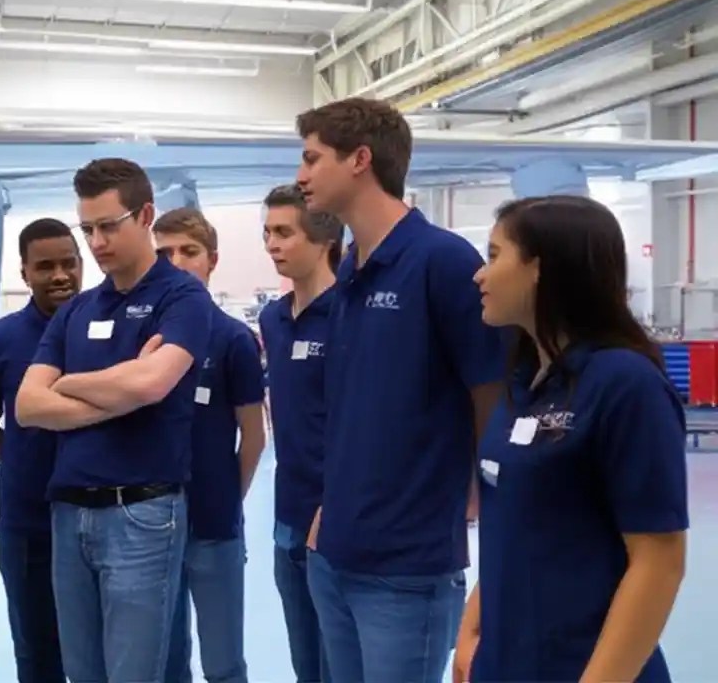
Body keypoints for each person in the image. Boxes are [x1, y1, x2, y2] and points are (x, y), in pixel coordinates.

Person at [293, 97, 507, 683]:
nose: (301, 174)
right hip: (335, 552)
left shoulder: (442, 261)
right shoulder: (351, 268)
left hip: (407, 566)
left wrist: (473, 494)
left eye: (312, 158)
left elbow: (489, 394)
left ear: (360, 159)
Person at [455, 195, 688, 683]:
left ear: (539, 268)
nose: (479, 275)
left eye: (494, 256)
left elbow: (659, 561)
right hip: (507, 664)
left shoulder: (625, 385)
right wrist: (472, 630)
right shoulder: (524, 383)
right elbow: (512, 529)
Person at [15, 157, 214, 683]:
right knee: (82, 674)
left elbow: (151, 385)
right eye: (88, 229)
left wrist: (69, 382)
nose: (96, 243)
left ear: (145, 215)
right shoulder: (76, 311)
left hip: (142, 514)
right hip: (69, 514)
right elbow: (28, 405)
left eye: (108, 226)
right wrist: (121, 386)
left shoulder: (183, 298)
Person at [0, 218, 83, 683]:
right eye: (45, 266)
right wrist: (18, 463)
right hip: (29, 526)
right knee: (37, 654)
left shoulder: (107, 332)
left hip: (101, 523)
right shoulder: (0, 341)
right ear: (24, 273)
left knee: (104, 653)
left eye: (68, 263)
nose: (60, 275)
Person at [153, 208, 267, 683]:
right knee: (165, 661)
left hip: (213, 525)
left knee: (223, 663)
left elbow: (254, 436)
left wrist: (227, 499)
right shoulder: (147, 337)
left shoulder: (233, 340)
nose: (178, 263)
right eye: (165, 253)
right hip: (151, 525)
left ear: (212, 260)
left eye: (190, 251)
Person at [257, 185, 342, 683]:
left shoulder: (350, 316)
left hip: (336, 520)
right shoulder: (273, 318)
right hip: (287, 518)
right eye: (267, 233)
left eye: (284, 232)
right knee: (305, 666)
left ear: (324, 237)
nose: (272, 244)